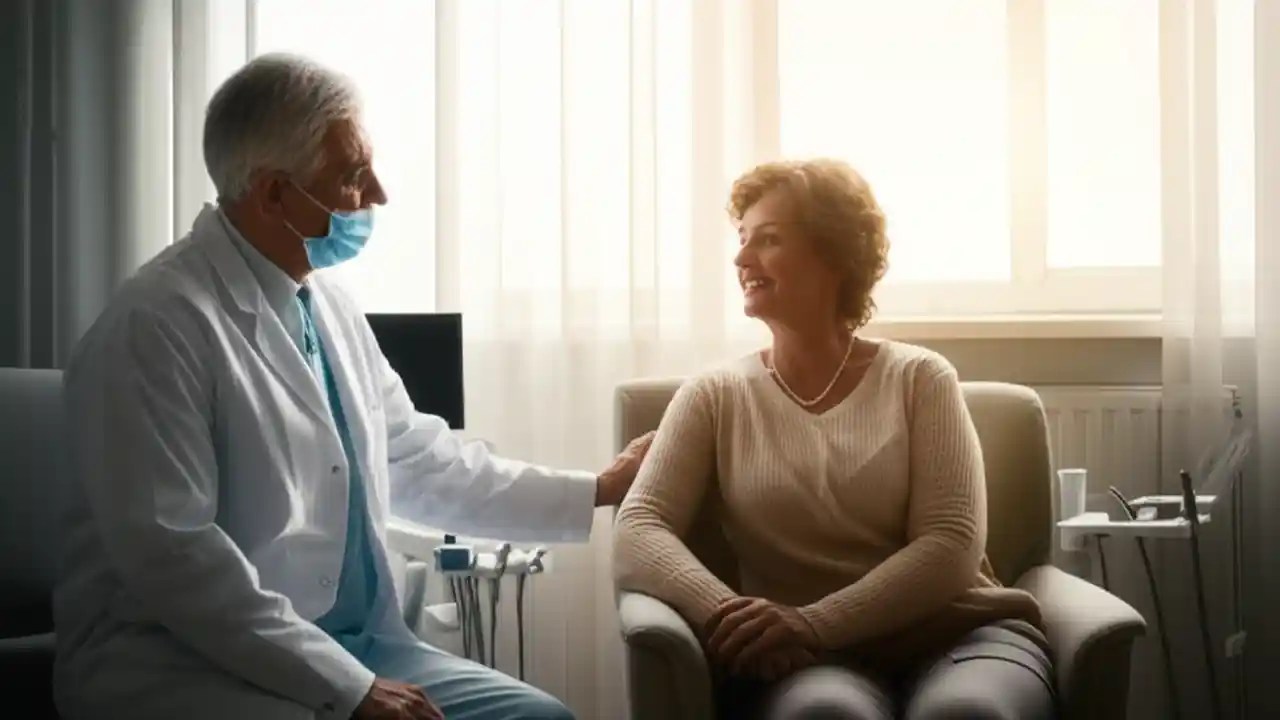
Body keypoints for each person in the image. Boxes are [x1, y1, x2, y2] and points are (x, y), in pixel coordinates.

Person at [54, 53, 653, 720]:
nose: (379, 196)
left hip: (356, 645)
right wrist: (351, 689)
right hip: (186, 661)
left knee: (541, 718)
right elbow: (176, 557)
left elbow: (418, 458)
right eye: (352, 176)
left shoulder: (327, 304)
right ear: (273, 193)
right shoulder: (155, 326)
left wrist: (598, 488)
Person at [613, 159, 1055, 719]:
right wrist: (735, 618)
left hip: (957, 633)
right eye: (742, 240)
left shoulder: (920, 377)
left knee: (966, 714)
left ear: (833, 252)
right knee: (825, 716)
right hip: (806, 659)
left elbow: (951, 543)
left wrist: (815, 622)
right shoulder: (714, 394)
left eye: (768, 239)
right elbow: (639, 527)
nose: (741, 259)